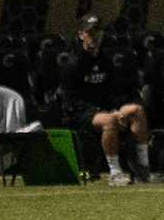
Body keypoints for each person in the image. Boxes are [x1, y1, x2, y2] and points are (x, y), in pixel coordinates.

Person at [60, 14, 154, 185]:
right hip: (79, 115)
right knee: (110, 121)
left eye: (97, 31)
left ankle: (143, 169)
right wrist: (106, 113)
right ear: (81, 34)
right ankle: (115, 173)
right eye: (89, 32)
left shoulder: (106, 60)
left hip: (104, 111)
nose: (94, 35)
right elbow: (72, 101)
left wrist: (116, 110)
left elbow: (110, 92)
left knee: (137, 110)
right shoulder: (73, 63)